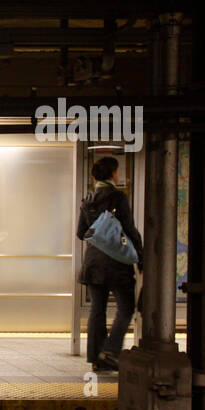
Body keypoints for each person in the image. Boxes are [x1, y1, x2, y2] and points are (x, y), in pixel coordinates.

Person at [77, 156, 144, 372]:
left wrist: (100, 235)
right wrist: (140, 256)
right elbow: (130, 229)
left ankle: (97, 358)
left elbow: (81, 233)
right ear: (113, 174)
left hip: (93, 262)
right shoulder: (118, 197)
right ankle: (111, 351)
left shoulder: (88, 199)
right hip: (116, 263)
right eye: (117, 171)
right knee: (126, 307)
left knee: (98, 310)